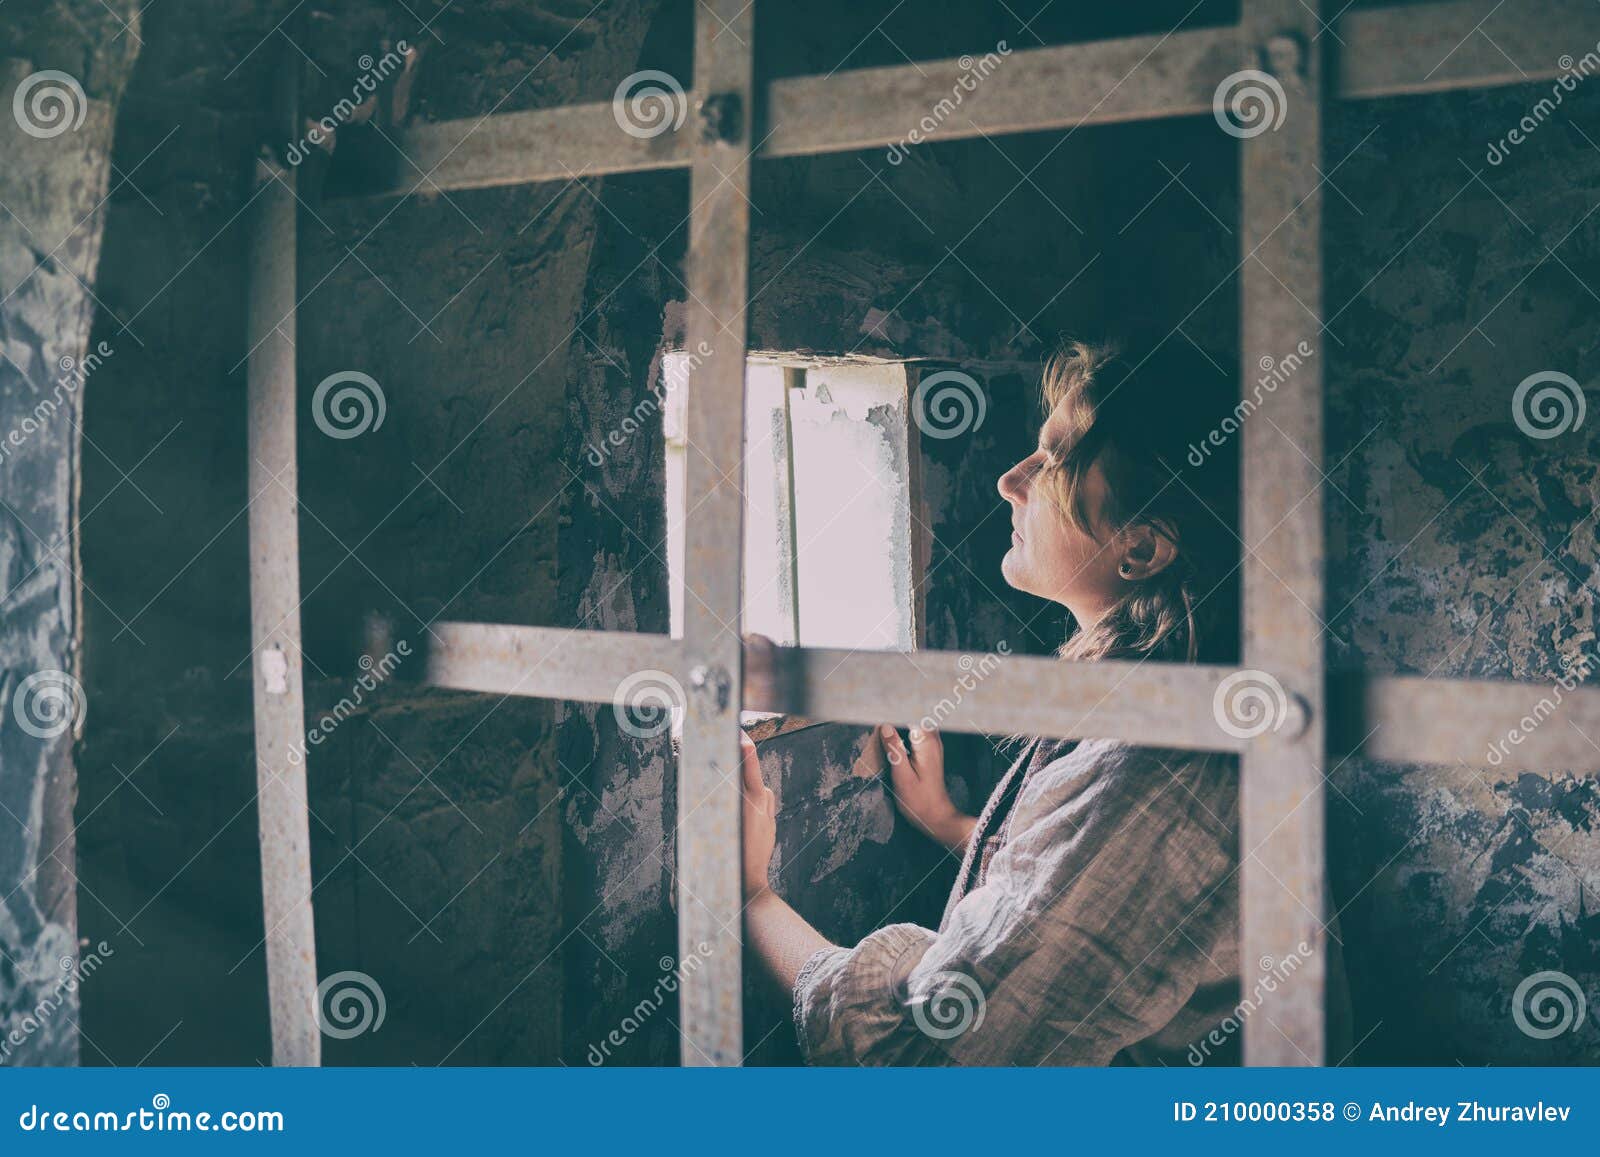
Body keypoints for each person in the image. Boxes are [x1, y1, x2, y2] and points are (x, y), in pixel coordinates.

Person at [739, 340, 1249, 1065]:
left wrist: (751, 898)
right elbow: (1101, 911)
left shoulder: (1152, 771)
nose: (1012, 480)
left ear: (1139, 552)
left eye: (1052, 463)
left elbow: (922, 1060)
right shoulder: (1177, 693)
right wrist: (956, 826)